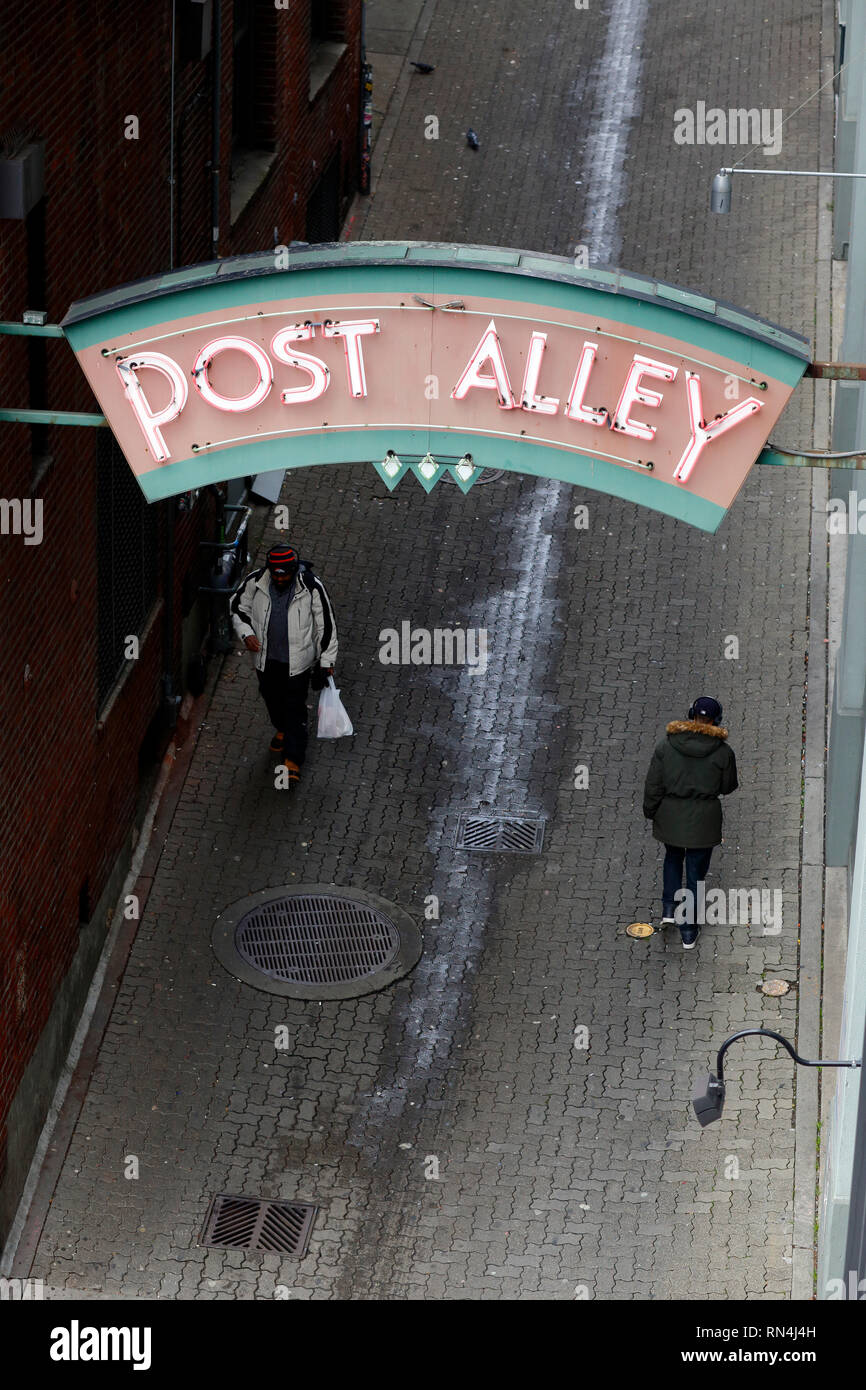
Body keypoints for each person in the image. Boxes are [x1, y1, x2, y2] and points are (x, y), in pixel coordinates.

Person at [230, 542, 338, 788]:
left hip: (297, 665)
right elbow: (238, 607)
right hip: (266, 661)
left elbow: (327, 626)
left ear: (293, 569)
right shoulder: (255, 582)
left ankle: (292, 759)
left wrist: (326, 662)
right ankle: (281, 728)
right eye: (276, 574)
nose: (280, 579)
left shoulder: (311, 587)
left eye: (286, 574)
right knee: (271, 698)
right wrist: (246, 634)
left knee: (294, 708)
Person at [642, 695, 738, 949]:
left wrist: (651, 811)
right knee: (695, 874)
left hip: (671, 816)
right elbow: (728, 786)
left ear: (690, 715)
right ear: (716, 720)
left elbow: (654, 783)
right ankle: (688, 931)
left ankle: (668, 910)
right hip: (703, 821)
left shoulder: (667, 745)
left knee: (673, 858)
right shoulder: (723, 753)